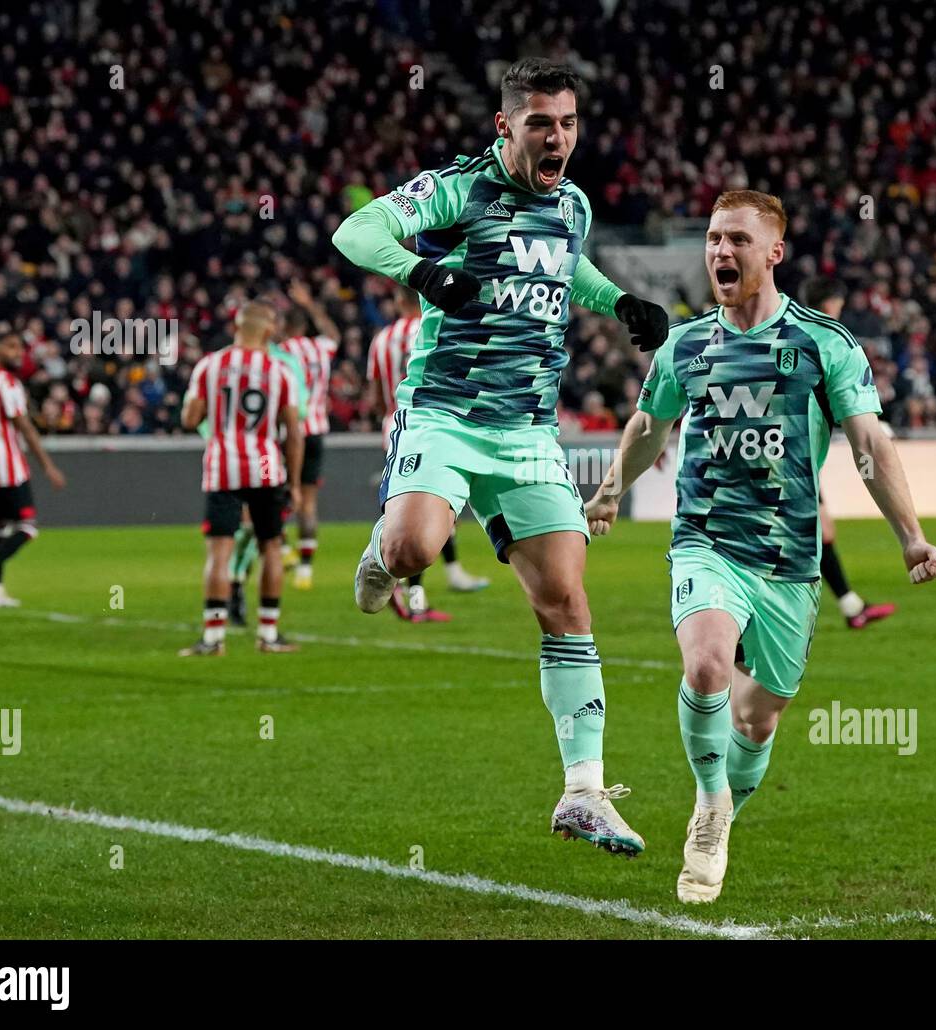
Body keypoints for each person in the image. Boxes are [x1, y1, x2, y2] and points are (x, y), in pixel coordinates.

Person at [332, 58, 669, 855]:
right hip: (445, 413)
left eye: (568, 123)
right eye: (541, 122)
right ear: (505, 125)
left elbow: (566, 267)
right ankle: (382, 553)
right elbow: (356, 231)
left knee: (566, 599)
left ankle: (583, 792)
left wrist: (619, 300)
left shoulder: (573, 203)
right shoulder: (458, 189)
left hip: (527, 431)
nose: (558, 138)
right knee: (414, 550)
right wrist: (421, 270)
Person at [588, 192, 936, 902]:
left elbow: (870, 442)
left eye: (738, 240)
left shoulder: (823, 343)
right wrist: (608, 492)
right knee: (707, 666)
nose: (721, 251)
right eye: (713, 239)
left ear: (774, 253)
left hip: (789, 560)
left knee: (759, 716)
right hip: (706, 541)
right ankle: (710, 805)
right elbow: (649, 425)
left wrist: (911, 536)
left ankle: (725, 802)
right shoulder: (685, 344)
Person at [179, 300, 304, 655]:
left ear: (236, 326)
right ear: (268, 331)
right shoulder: (279, 371)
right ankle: (268, 634)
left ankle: (213, 638)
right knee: (271, 546)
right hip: (264, 465)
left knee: (219, 552)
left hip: (222, 465)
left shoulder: (210, 365)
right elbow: (293, 432)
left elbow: (190, 419)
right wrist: (294, 484)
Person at [366, 284, 490, 623]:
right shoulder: (434, 326)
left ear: (398, 301)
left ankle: (442, 579)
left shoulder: (381, 339)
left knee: (426, 510)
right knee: (429, 510)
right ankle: (415, 599)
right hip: (433, 425)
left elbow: (375, 397)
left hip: (395, 427)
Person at [800, 277, 896, 628]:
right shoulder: (826, 340)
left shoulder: (796, 335)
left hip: (800, 457)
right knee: (816, 533)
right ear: (830, 304)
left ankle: (850, 605)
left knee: (820, 533)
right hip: (791, 460)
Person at [0, 332, 67, 608]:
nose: (19, 352)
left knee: (0, 527)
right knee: (27, 527)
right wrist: (48, 466)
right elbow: (26, 428)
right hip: (6, 464)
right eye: (11, 347)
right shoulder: (8, 383)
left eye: (21, 347)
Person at [276, 281, 340, 591]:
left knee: (272, 492)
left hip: (287, 433)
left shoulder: (282, 352)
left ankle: (283, 549)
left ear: (286, 327)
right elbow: (334, 335)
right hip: (316, 431)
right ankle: (305, 569)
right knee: (308, 503)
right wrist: (310, 304)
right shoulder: (320, 348)